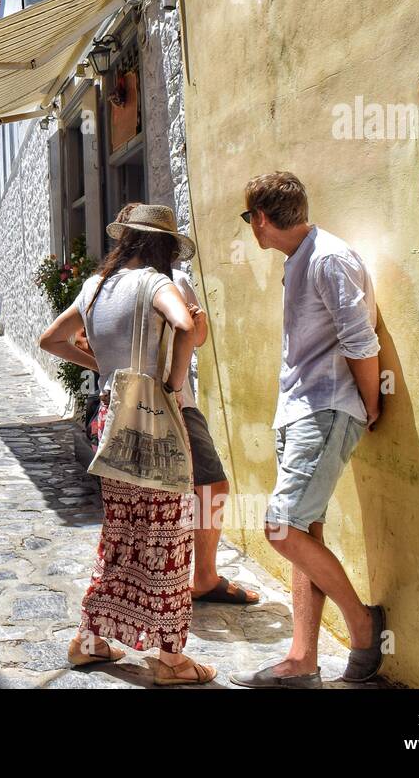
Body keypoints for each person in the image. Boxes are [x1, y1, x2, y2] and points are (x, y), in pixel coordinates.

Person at [39, 203, 215, 685]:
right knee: (166, 536)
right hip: (154, 423)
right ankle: (171, 659)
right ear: (160, 247)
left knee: (120, 533)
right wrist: (174, 383)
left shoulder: (95, 286)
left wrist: (102, 369)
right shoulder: (156, 283)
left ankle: (90, 639)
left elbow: (51, 339)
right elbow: (182, 325)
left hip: (107, 420)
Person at [230, 172, 385, 689]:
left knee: (281, 528)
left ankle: (362, 624)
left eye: (250, 216)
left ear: (263, 220)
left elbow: (361, 338)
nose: (251, 226)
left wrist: (368, 404)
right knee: (304, 531)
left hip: (326, 411)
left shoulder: (327, 258)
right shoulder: (302, 259)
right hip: (301, 412)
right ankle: (302, 659)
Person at [171, 268, 261, 607]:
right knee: (210, 486)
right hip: (177, 402)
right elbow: (187, 334)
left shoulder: (113, 283)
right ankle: (202, 577)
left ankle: (195, 578)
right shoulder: (164, 279)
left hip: (143, 404)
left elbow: (197, 337)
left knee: (187, 490)